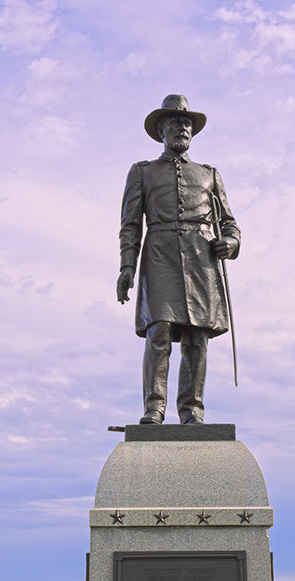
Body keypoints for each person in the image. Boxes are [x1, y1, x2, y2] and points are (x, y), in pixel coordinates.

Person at [117, 95, 240, 425]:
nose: (182, 128)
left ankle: (192, 411)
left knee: (197, 337)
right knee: (159, 331)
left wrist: (230, 242)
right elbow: (130, 224)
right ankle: (154, 407)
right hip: (160, 254)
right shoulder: (143, 172)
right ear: (161, 130)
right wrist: (127, 266)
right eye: (175, 122)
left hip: (202, 258)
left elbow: (230, 223)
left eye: (186, 123)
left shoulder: (209, 174)